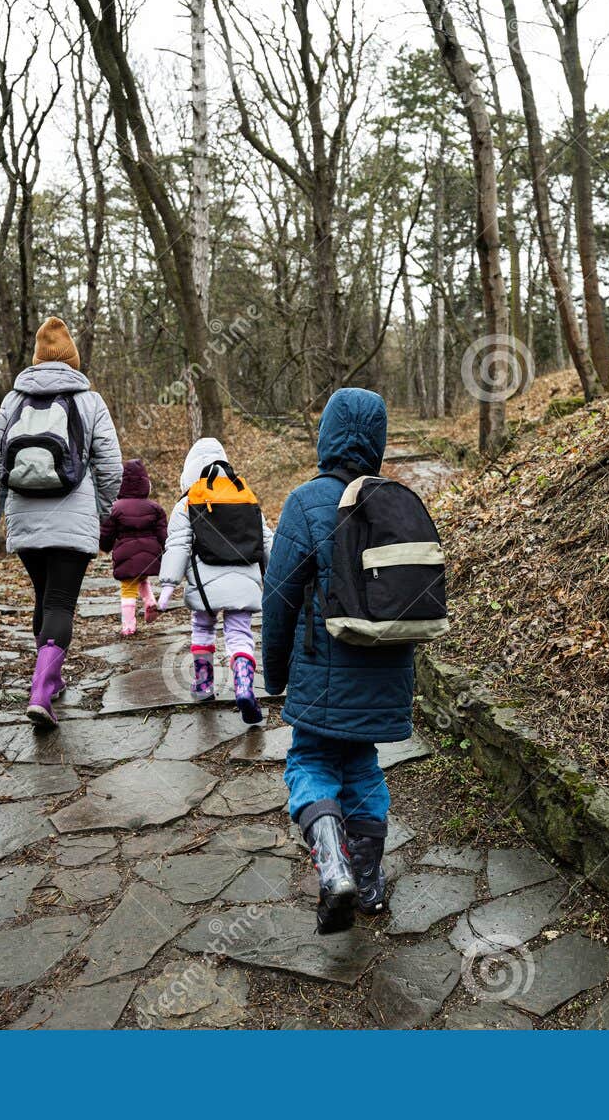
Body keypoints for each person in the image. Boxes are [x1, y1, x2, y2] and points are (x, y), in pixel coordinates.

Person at [262, 388, 412, 933]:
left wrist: (274, 673)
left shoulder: (306, 503)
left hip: (321, 675)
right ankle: (369, 880)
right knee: (362, 764)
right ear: (378, 440)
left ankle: (333, 865)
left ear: (326, 435)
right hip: (386, 673)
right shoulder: (395, 500)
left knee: (311, 761)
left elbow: (278, 597)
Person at [0, 316, 122, 728]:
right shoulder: (90, 401)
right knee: (61, 603)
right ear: (73, 361)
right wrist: (100, 506)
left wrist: (7, 501)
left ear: (37, 359)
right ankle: (41, 691)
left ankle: (52, 679)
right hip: (73, 517)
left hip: (25, 519)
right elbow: (111, 465)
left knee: (44, 599)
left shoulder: (13, 400)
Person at [156, 437, 272, 726]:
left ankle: (204, 684)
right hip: (243, 582)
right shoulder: (245, 496)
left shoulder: (187, 503)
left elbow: (178, 546)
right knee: (239, 633)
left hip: (205, 586)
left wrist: (167, 587)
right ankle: (244, 686)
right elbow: (266, 540)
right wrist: (280, 575)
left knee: (202, 627)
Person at [99, 459, 168, 637]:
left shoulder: (115, 508)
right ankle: (150, 601)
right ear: (146, 483)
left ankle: (128, 627)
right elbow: (163, 533)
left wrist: (105, 546)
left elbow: (107, 533)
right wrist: (166, 550)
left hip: (126, 555)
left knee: (128, 587)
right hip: (149, 555)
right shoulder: (155, 508)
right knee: (141, 577)